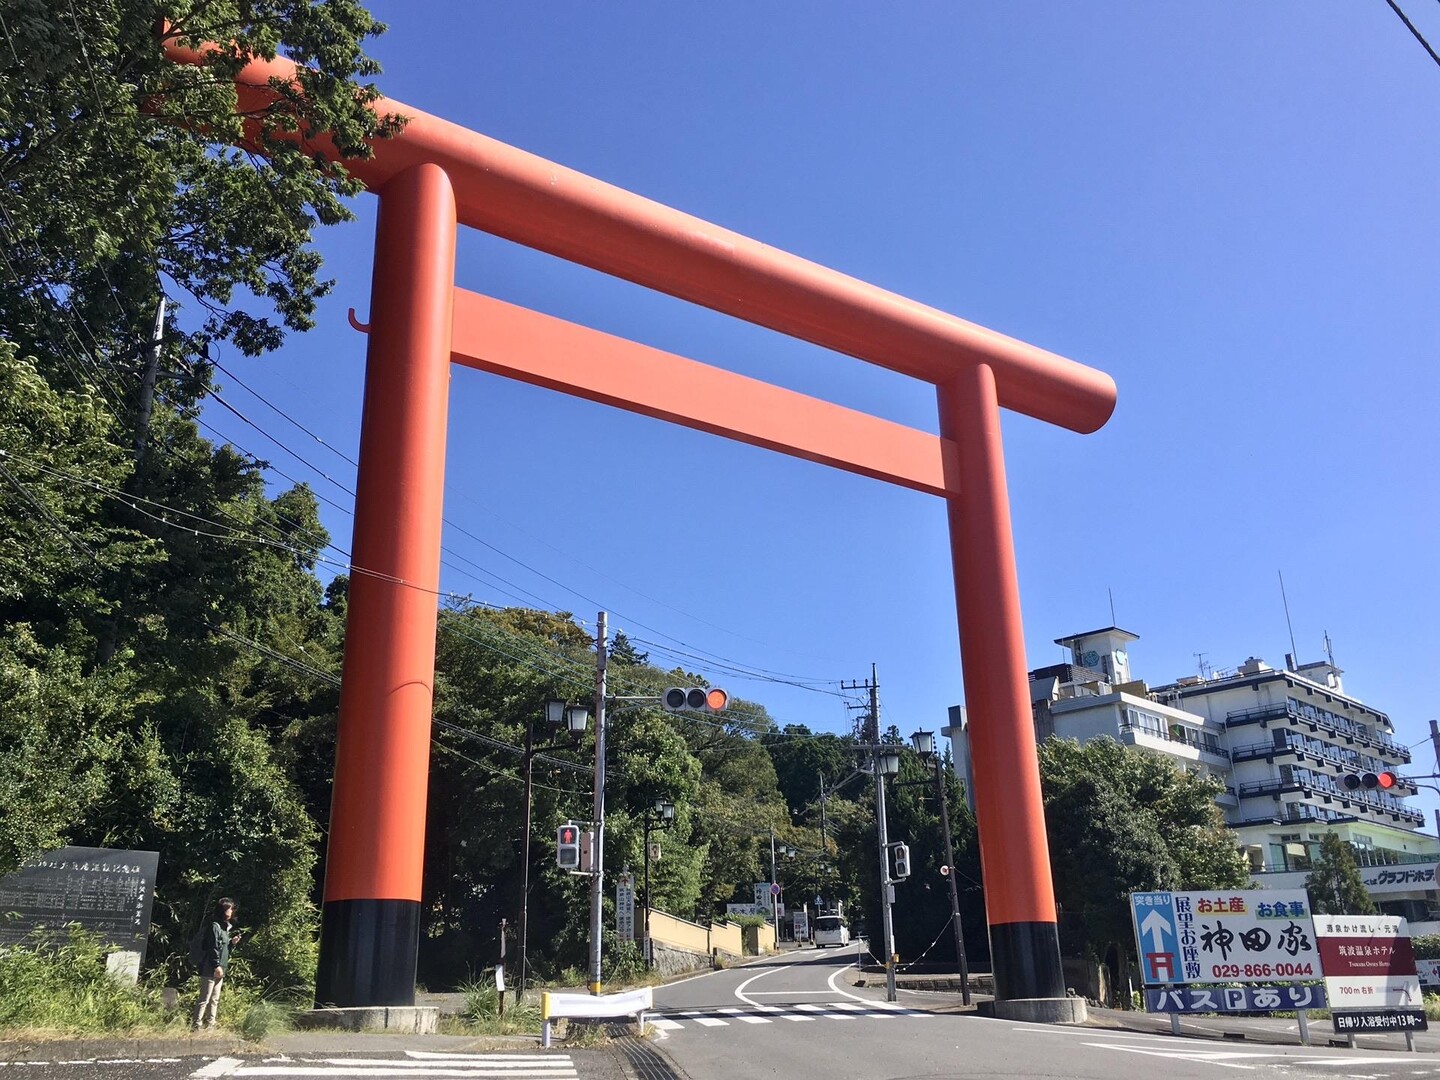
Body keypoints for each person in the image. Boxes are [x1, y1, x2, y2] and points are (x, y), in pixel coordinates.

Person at [192, 897, 241, 1031]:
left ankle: (210, 1025)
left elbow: (222, 948)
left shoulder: (225, 928)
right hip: (211, 968)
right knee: (205, 998)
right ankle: (196, 1025)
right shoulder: (215, 926)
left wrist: (232, 944)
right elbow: (212, 947)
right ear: (223, 910)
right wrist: (216, 966)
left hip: (220, 967)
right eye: (229, 909)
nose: (231, 911)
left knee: (215, 998)